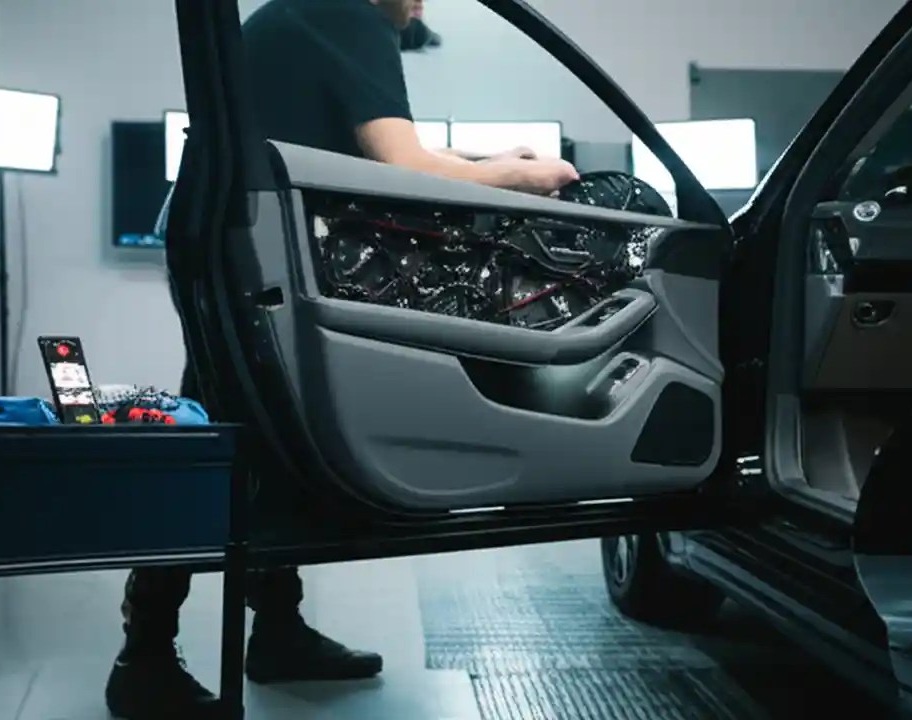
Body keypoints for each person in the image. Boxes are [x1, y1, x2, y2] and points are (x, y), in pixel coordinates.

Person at [105, 1, 580, 718]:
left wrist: (490, 166)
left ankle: (275, 630)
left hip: (219, 239)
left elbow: (377, 158)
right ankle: (143, 656)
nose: (422, 3)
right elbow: (405, 164)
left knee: (254, 438)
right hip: (241, 248)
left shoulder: (302, 12)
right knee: (220, 445)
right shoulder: (352, 15)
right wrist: (527, 179)